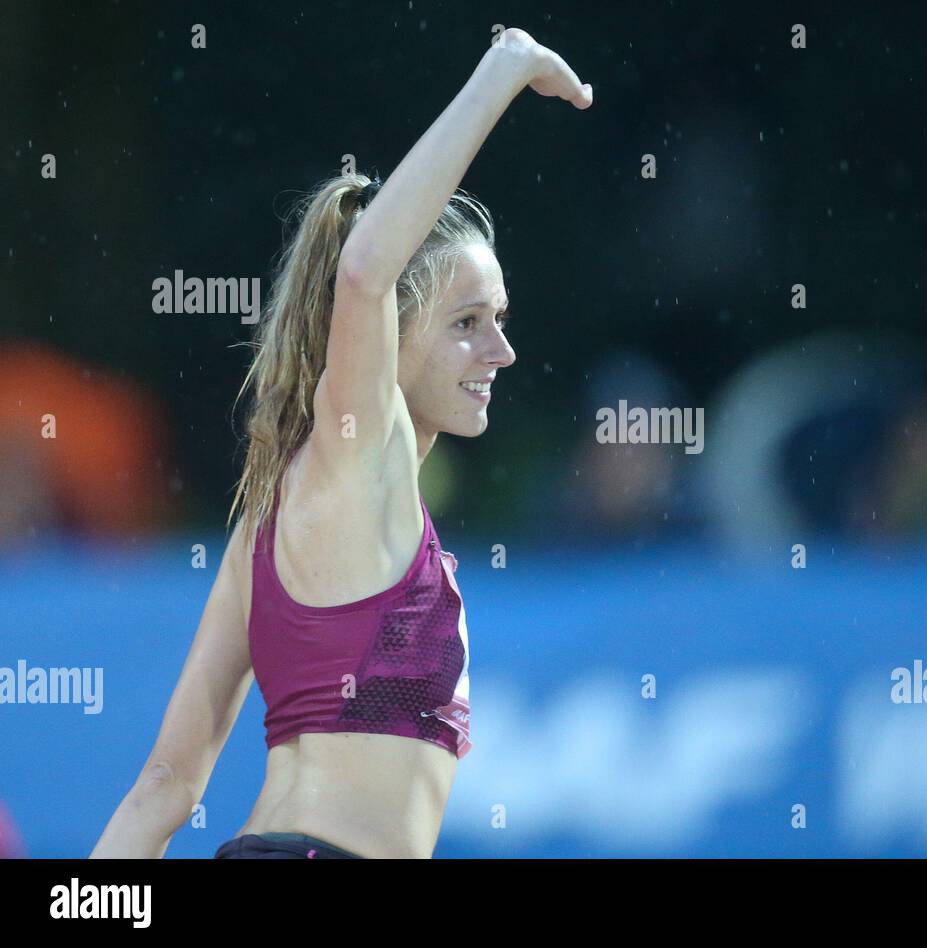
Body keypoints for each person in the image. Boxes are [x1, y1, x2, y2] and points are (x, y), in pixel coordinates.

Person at [90, 28, 593, 859]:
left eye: (500, 321)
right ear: (391, 336)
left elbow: (165, 791)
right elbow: (364, 272)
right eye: (467, 324)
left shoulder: (263, 522)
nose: (499, 352)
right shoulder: (366, 447)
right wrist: (501, 76)